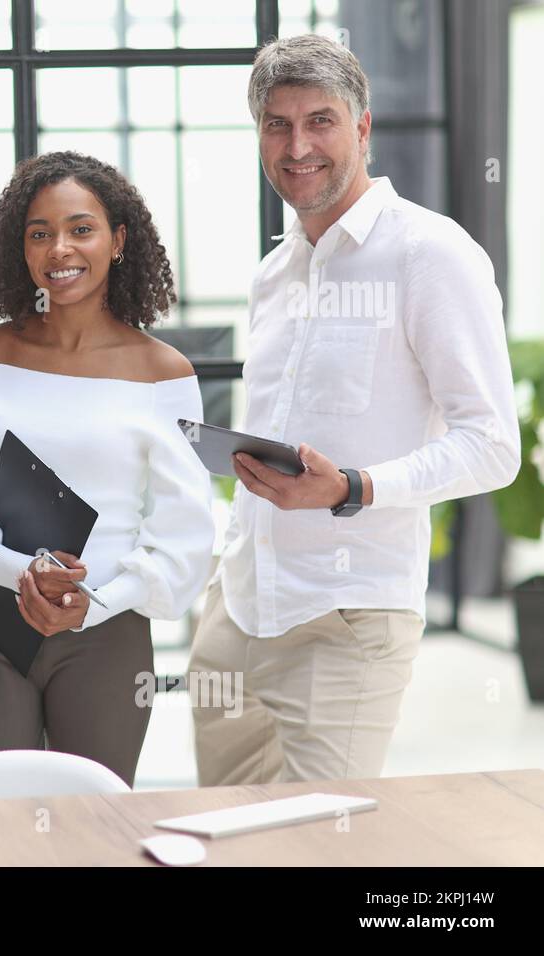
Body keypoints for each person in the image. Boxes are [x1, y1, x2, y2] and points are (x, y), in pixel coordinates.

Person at [189, 35, 521, 785]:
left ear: (362, 127)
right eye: (277, 124)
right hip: (236, 609)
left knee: (324, 848)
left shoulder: (430, 255)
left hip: (346, 621)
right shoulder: (274, 273)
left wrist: (353, 488)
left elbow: (492, 444)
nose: (297, 145)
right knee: (230, 843)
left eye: (320, 121)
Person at [0, 151, 214, 785]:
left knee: (93, 835)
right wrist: (24, 571)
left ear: (118, 239)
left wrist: (91, 604)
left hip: (109, 636)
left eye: (81, 228)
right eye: (40, 233)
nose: (60, 249)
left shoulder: (164, 374)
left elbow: (183, 538)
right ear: (18, 248)